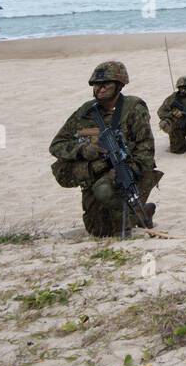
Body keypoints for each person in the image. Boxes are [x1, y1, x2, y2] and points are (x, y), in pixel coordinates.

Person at [49, 61, 163, 236]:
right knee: (98, 230)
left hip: (129, 172)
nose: (99, 89)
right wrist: (82, 149)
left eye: (105, 85)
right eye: (96, 85)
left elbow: (146, 150)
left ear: (119, 85)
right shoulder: (85, 111)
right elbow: (57, 145)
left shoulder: (133, 109)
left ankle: (135, 213)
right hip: (95, 173)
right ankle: (141, 213)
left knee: (108, 200)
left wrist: (129, 170)